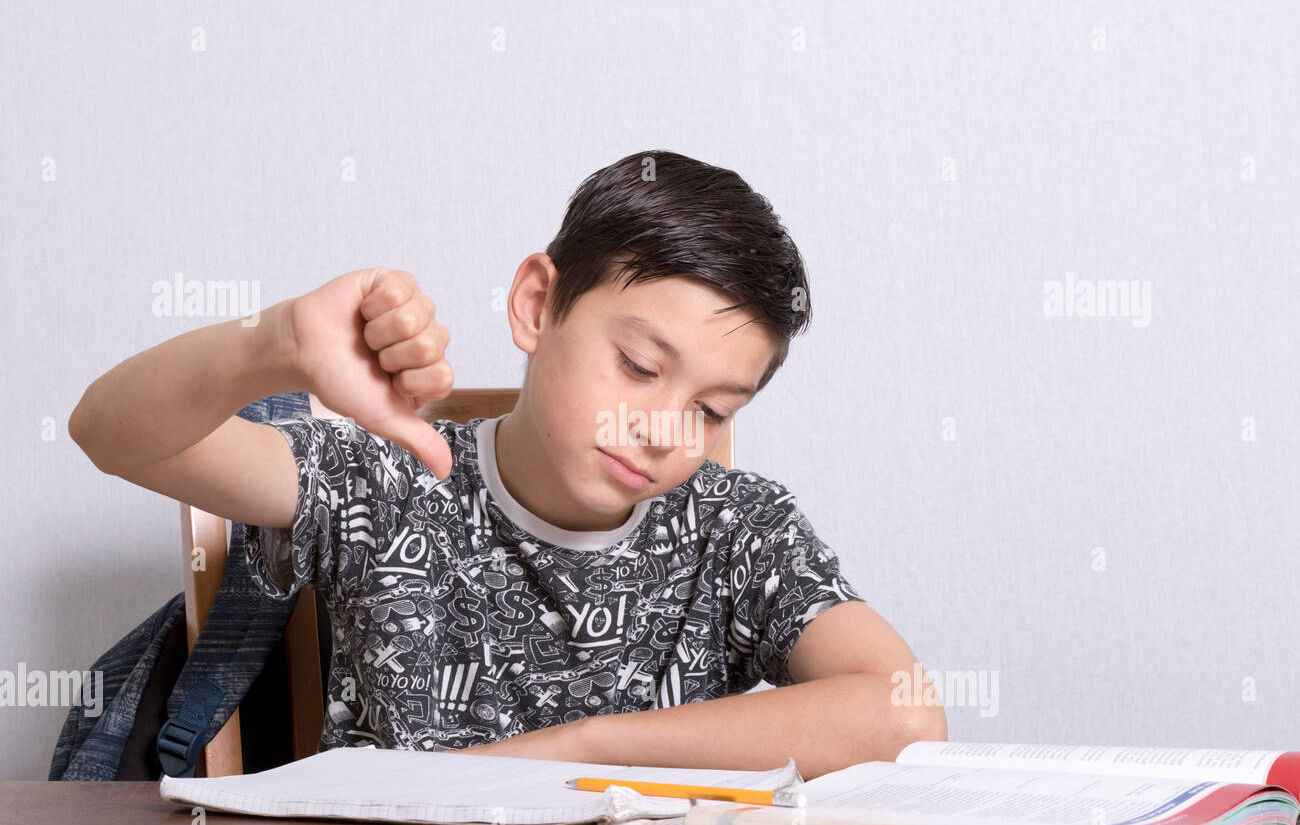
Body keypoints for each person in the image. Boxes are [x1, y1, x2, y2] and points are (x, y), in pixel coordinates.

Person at [70, 149, 945, 780]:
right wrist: (273, 344)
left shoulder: (737, 527)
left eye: (712, 411)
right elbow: (114, 435)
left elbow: (906, 711)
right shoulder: (389, 479)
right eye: (639, 368)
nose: (662, 431)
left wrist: (575, 750)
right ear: (536, 305)